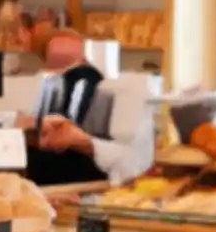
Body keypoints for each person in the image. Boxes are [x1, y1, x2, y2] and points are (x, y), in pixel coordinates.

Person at [23, 29, 154, 186]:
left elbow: (131, 160)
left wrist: (82, 142)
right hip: (49, 189)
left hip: (88, 187)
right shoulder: (37, 91)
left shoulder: (109, 91)